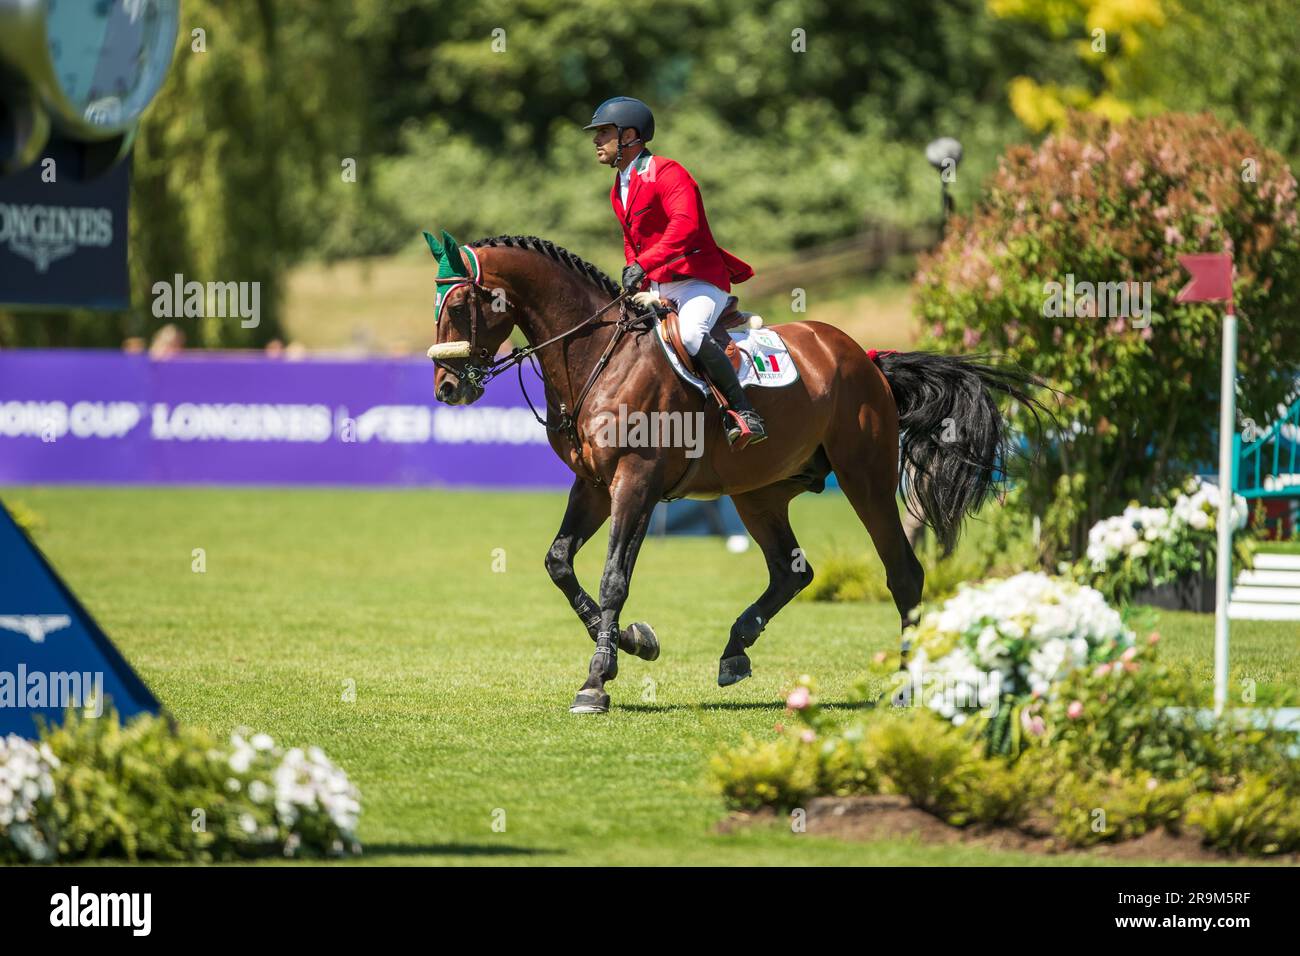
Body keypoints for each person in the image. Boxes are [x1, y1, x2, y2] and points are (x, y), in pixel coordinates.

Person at [584, 96, 767, 446]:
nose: (596, 141)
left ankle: (742, 411)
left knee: (693, 334)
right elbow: (633, 243)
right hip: (660, 285)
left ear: (629, 135)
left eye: (604, 132)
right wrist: (635, 273)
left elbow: (686, 226)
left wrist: (643, 265)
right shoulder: (619, 188)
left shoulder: (668, 172)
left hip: (698, 280)